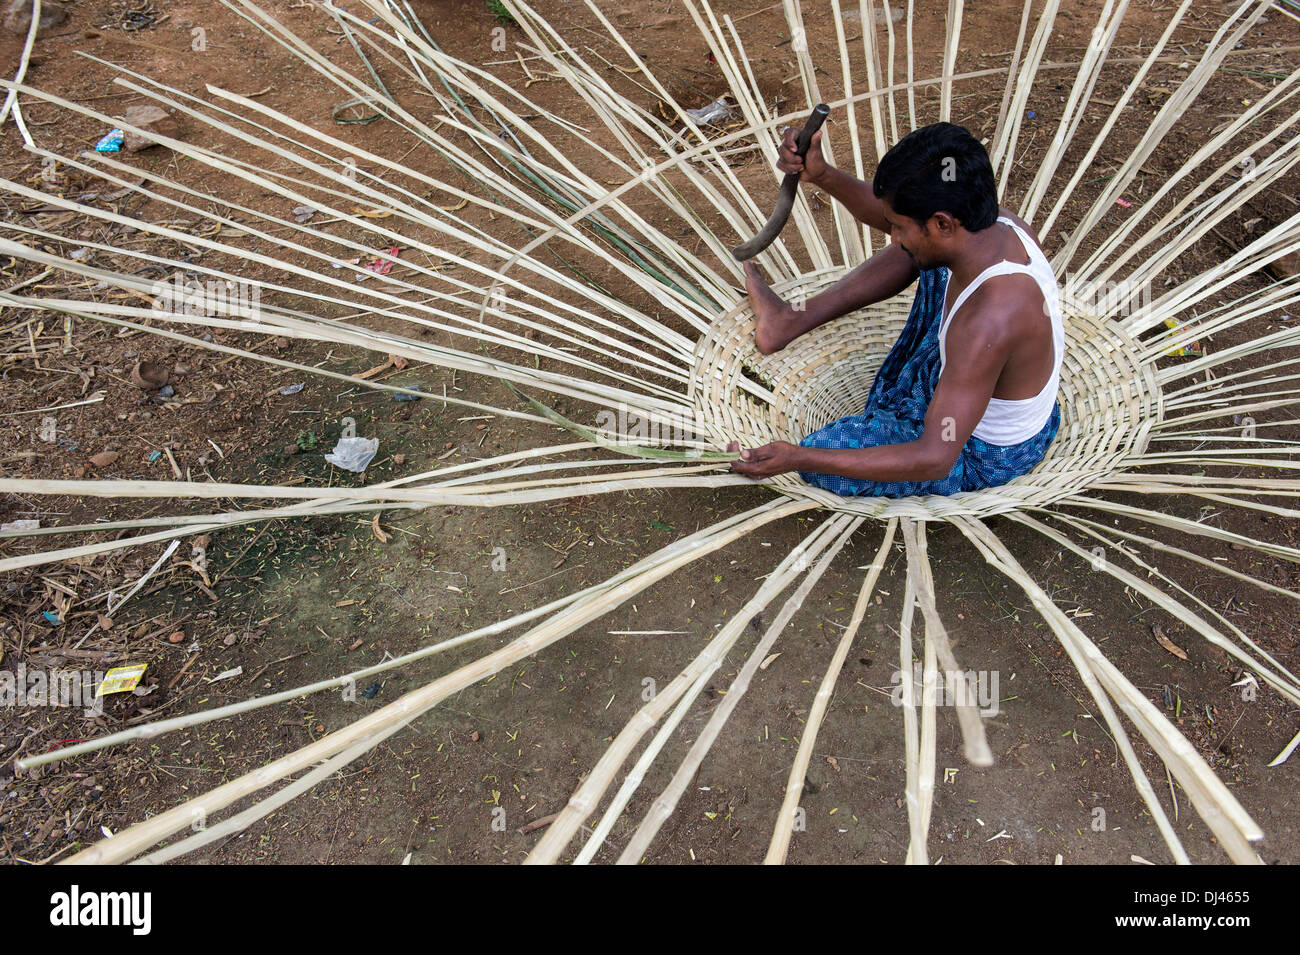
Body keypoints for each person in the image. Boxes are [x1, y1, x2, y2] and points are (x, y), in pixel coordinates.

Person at [728, 122, 1063, 498]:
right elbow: (902, 218)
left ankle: (819, 442)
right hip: (977, 370)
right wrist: (821, 175)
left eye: (899, 226)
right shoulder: (993, 224)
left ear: (942, 223)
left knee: (827, 448)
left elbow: (935, 457)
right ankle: (789, 319)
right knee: (919, 253)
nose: (891, 236)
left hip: (976, 456)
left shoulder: (989, 320)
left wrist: (801, 458)